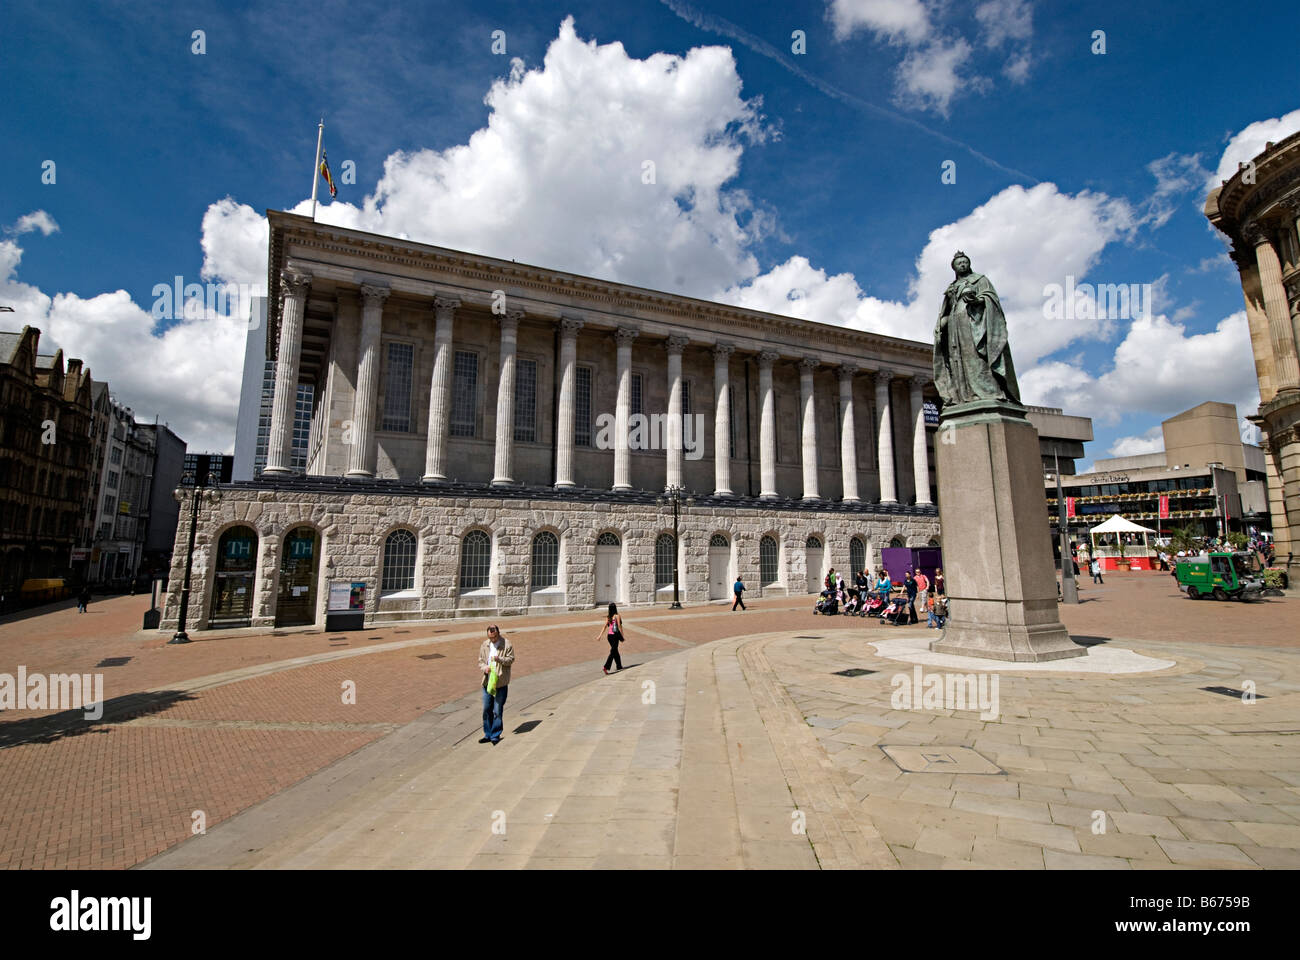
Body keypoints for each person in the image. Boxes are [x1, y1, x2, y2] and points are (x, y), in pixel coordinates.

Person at [478, 624, 515, 745]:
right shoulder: (485, 644)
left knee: (497, 710)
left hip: (500, 682)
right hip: (488, 681)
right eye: (490, 638)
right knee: (486, 709)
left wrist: (500, 659)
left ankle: (495, 735)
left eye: (494, 637)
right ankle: (487, 734)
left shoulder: (506, 644)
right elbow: (480, 661)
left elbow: (511, 659)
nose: (492, 640)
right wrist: (485, 668)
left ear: (498, 634)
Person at [597, 603, 625, 674]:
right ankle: (606, 667)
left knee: (615, 650)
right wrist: (622, 635)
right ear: (615, 608)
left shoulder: (608, 617)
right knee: (613, 651)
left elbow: (605, 626)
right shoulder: (617, 616)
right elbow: (619, 626)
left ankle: (619, 666)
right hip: (615, 636)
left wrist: (600, 635)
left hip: (609, 637)